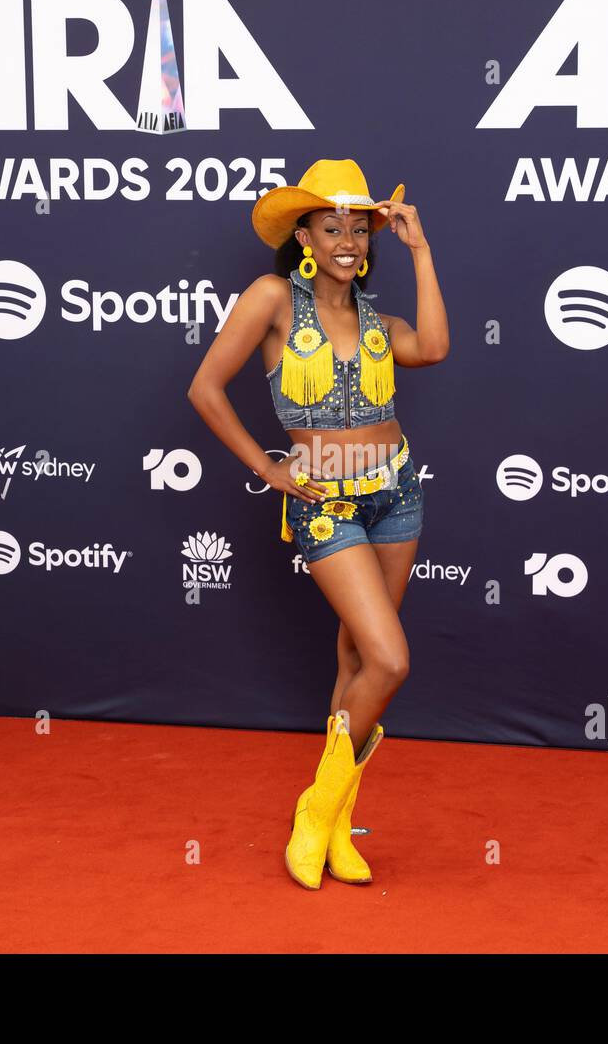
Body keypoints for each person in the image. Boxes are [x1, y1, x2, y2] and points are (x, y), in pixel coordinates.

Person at [186, 157, 449, 889]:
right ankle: (314, 807)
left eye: (360, 229)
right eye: (332, 226)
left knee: (358, 665)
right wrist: (268, 468)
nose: (348, 241)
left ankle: (334, 827)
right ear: (303, 233)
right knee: (391, 660)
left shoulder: (376, 320)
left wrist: (420, 249)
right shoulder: (272, 299)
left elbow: (433, 347)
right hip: (324, 504)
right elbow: (205, 388)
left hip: (395, 494)